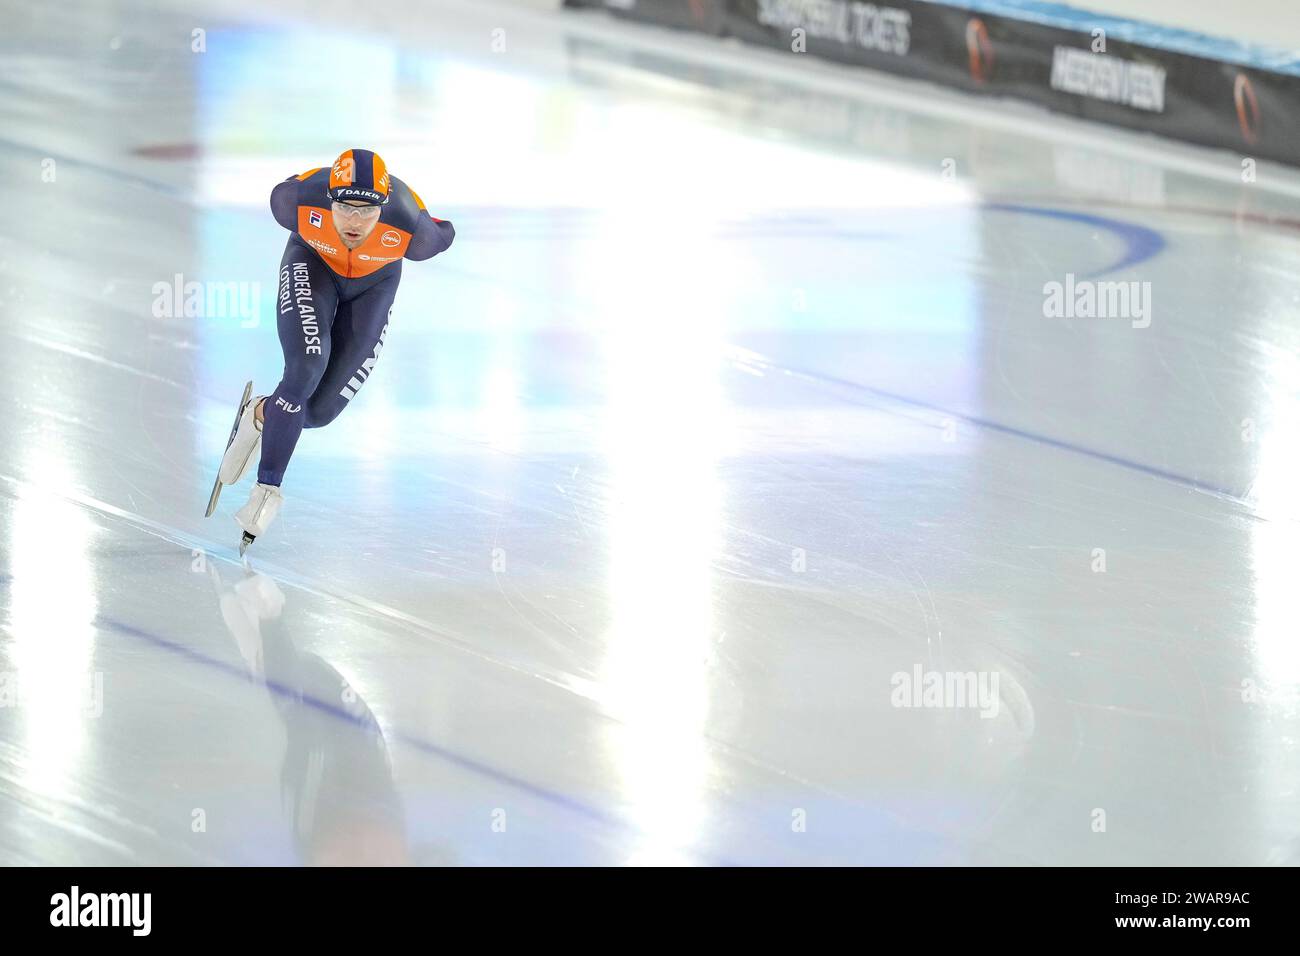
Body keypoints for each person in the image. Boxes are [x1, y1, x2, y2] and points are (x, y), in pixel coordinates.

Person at [212, 148, 455, 553]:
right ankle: (265, 490)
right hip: (312, 263)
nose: (355, 222)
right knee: (306, 366)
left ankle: (260, 414)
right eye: (345, 208)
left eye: (367, 211)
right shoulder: (295, 201)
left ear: (385, 209)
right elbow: (285, 185)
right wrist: (268, 483)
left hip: (373, 287)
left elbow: (445, 230)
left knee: (318, 413)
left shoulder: (414, 228)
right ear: (329, 199)